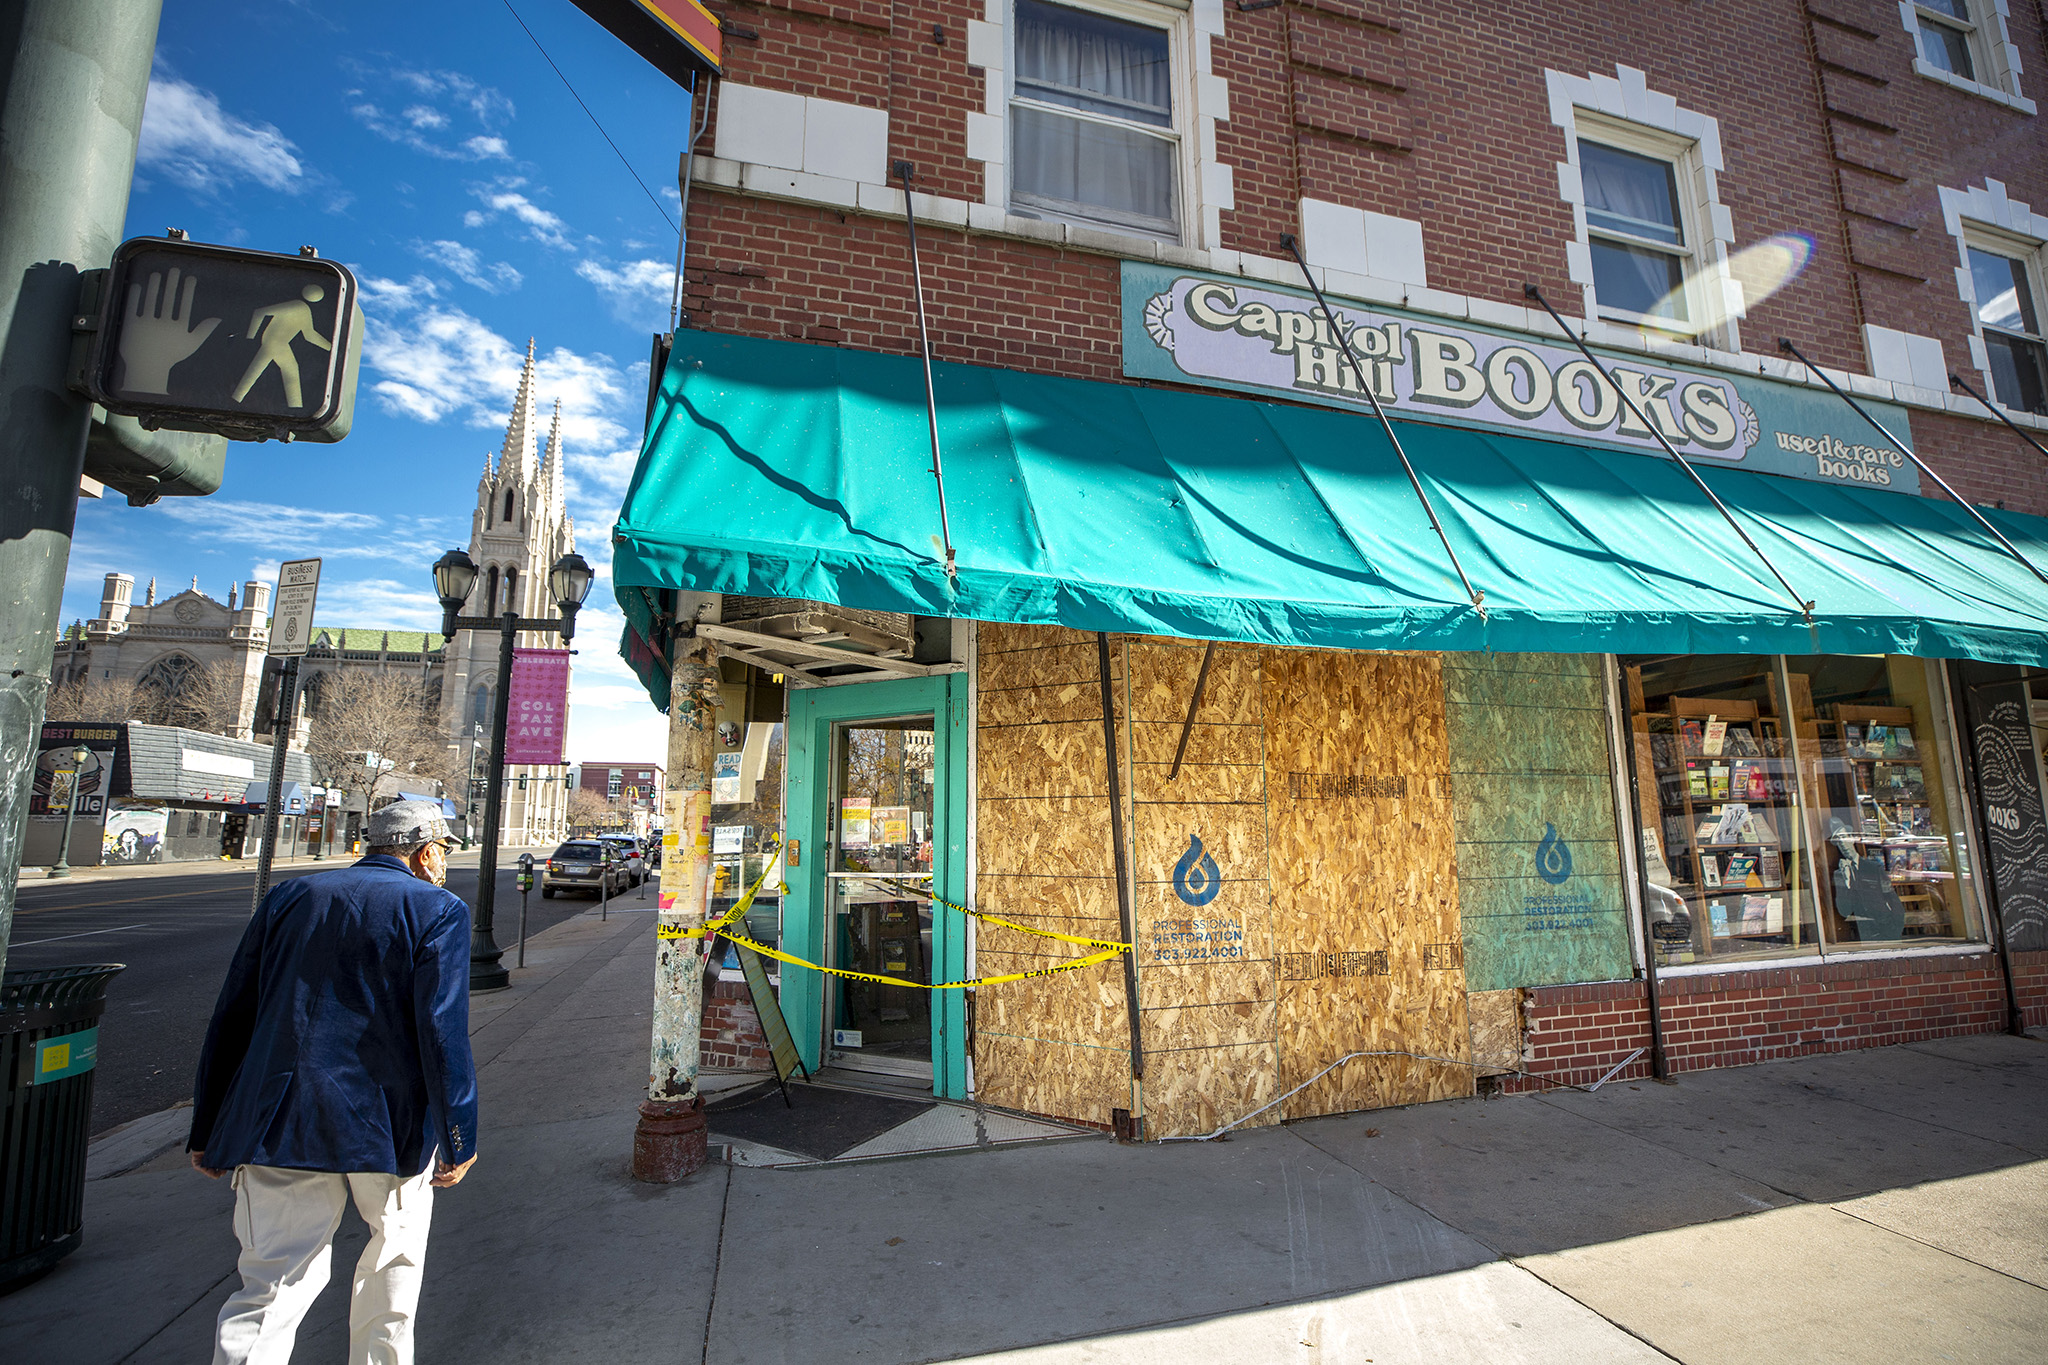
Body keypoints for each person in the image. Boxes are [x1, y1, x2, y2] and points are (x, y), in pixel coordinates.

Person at [188, 799, 478, 1365]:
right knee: (393, 1268)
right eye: (443, 851)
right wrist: (459, 1135)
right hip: (388, 1125)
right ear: (424, 850)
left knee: (270, 1282)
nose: (443, 863)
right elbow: (443, 1033)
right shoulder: (438, 908)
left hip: (279, 1116)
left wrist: (210, 1126)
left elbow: (235, 1012)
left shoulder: (291, 896)